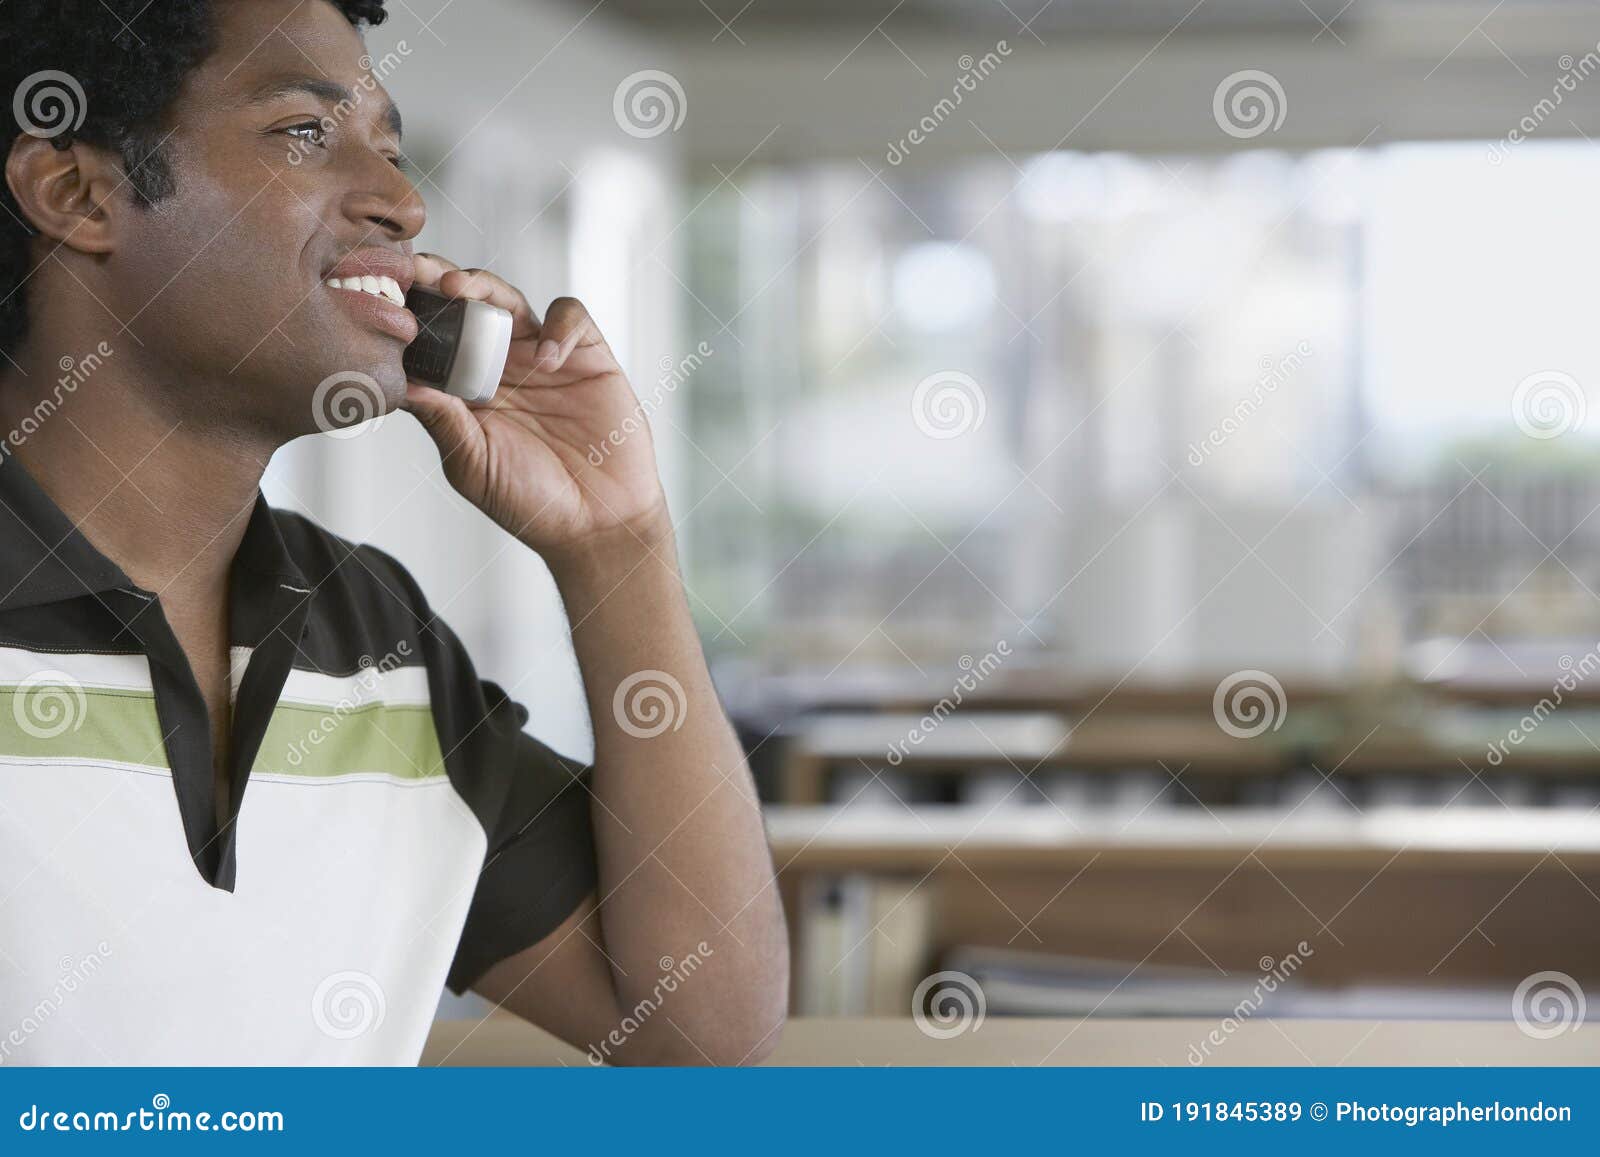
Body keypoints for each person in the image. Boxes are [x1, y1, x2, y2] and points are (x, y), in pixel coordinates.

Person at [0, 0, 787, 1065]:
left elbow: (698, 1027)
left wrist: (617, 545)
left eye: (394, 150)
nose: (403, 203)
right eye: (303, 133)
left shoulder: (376, 635)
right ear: (79, 193)